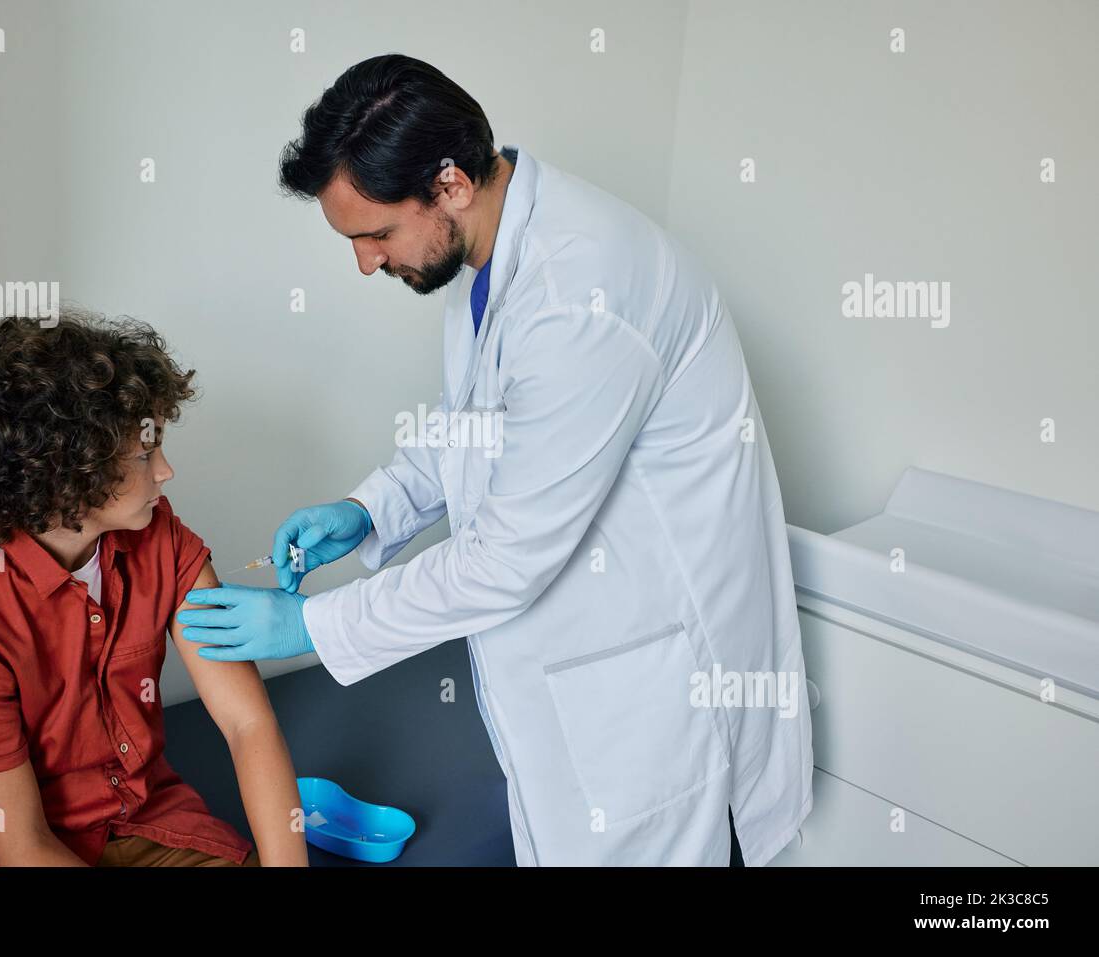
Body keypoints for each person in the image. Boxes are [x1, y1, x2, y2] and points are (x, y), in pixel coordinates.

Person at [179, 54, 812, 866]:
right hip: (578, 670)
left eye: (374, 234)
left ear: (449, 185)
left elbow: (507, 558)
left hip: (650, 694)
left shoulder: (580, 296)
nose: (366, 262)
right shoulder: (497, 254)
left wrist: (312, 623)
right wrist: (376, 507)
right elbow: (484, 420)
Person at [0, 310, 307, 866]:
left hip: (151, 827)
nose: (165, 472)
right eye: (145, 454)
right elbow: (23, 847)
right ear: (69, 471)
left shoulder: (160, 538)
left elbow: (246, 722)